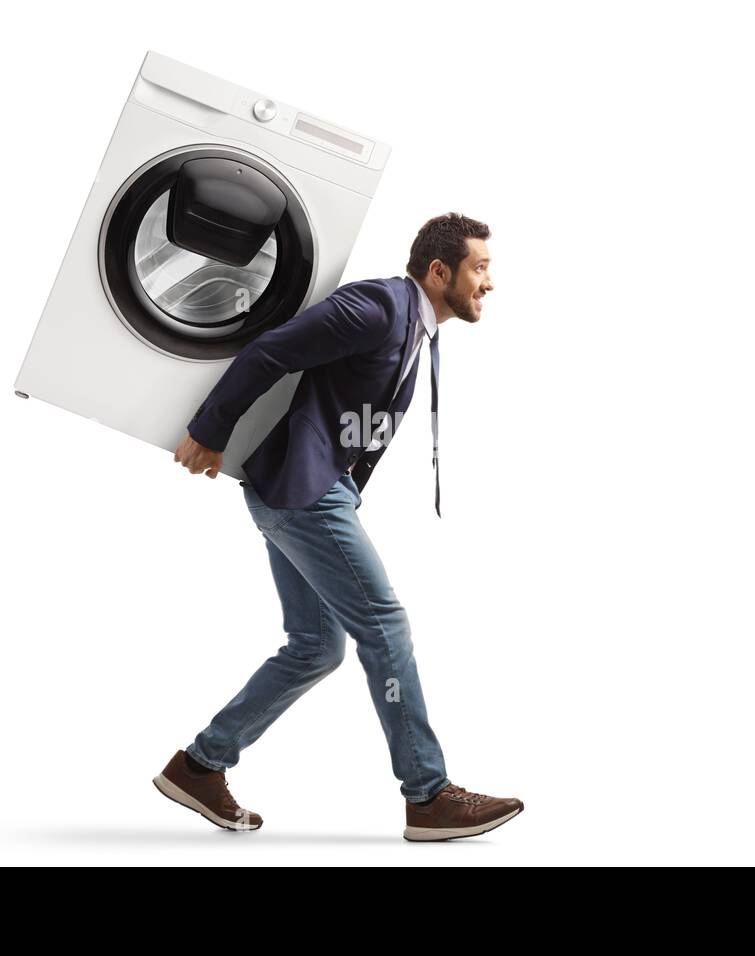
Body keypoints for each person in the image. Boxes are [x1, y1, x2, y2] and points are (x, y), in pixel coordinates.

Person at [154, 213, 523, 842]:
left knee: (316, 647)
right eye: (479, 268)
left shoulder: (418, 329)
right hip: (305, 494)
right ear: (440, 272)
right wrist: (210, 429)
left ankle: (199, 765)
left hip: (316, 493)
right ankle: (429, 796)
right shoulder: (379, 307)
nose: (489, 282)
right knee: (385, 625)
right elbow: (272, 350)